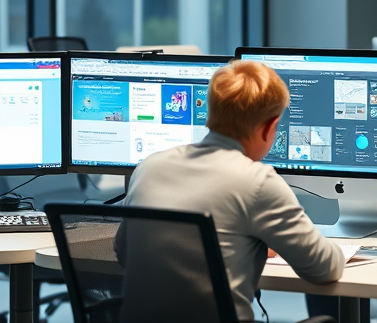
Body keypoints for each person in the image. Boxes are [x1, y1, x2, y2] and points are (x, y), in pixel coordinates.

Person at [120, 60, 345, 321]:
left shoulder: (149, 167)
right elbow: (324, 269)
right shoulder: (258, 181)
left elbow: (124, 252)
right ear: (269, 128)